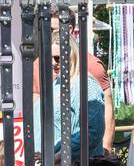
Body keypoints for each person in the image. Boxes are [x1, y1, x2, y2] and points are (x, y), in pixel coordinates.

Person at [33, 15, 115, 153]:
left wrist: (60, 155)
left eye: (58, 58)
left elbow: (94, 130)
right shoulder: (54, 81)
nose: (53, 63)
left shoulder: (87, 81)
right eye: (50, 58)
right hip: (48, 164)